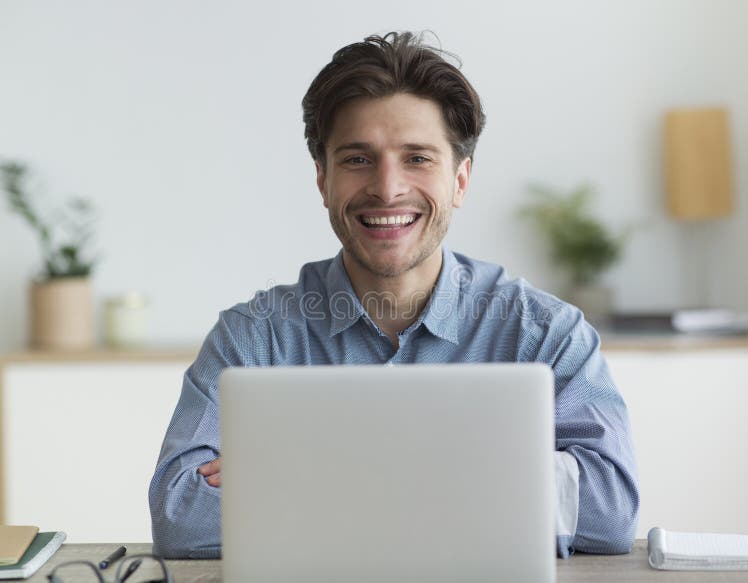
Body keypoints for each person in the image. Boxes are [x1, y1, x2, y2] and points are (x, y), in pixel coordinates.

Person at [149, 31, 639, 560]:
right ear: (323, 181)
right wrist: (493, 476)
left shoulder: (545, 332)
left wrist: (307, 471)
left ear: (460, 180)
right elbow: (181, 514)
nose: (387, 188)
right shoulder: (253, 336)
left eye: (418, 158)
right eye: (358, 159)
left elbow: (608, 510)